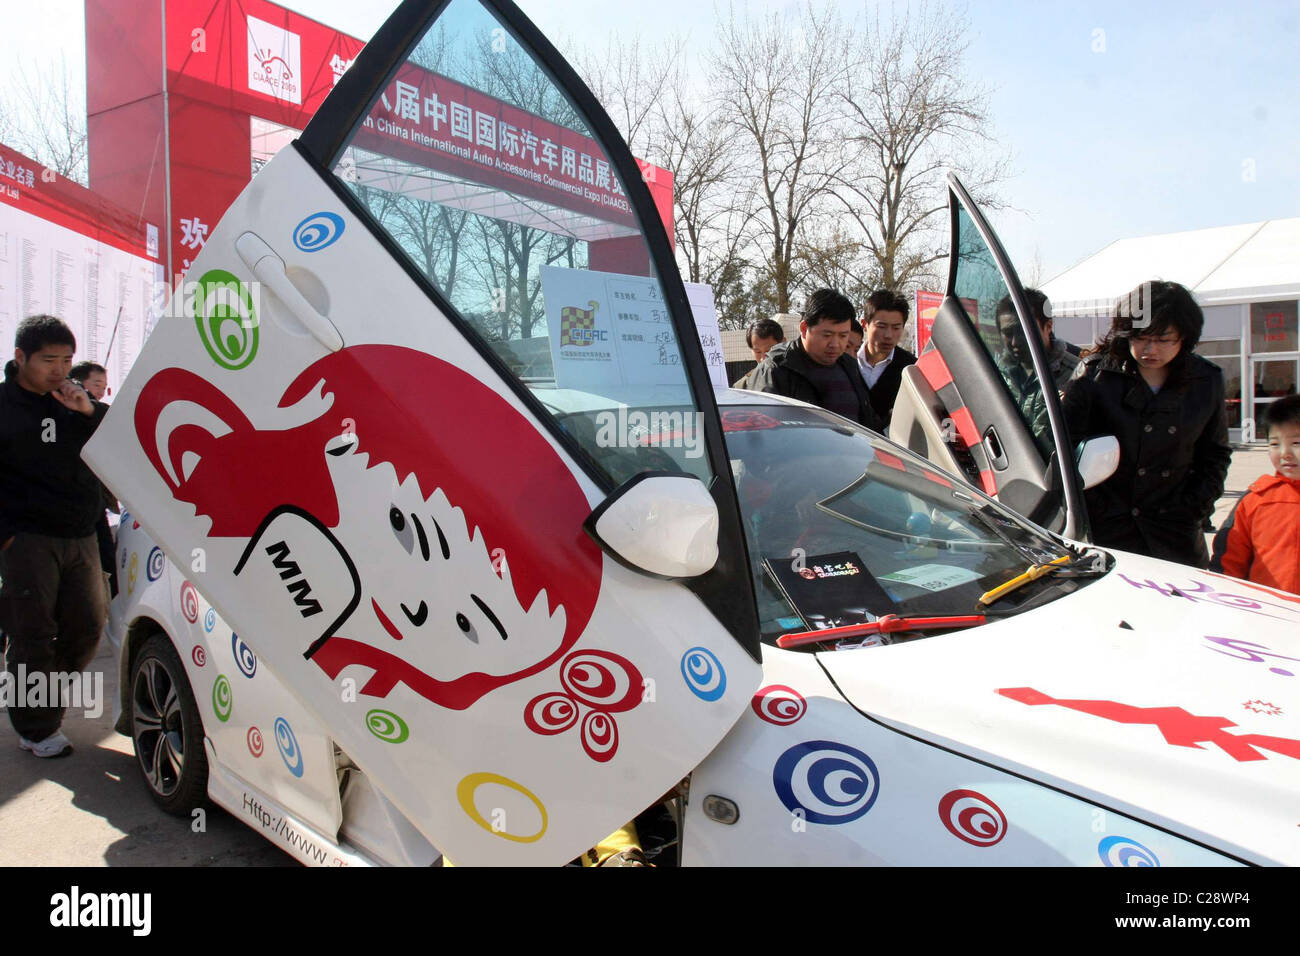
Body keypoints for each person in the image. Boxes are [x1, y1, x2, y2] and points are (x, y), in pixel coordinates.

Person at [1061, 280, 1232, 568]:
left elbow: (1215, 454)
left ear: (1184, 338)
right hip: (1108, 530)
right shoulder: (1096, 376)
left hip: (1175, 530)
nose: (1150, 349)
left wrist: (1194, 507)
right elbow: (1064, 449)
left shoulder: (1206, 379)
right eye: (1140, 337)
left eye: (1164, 340)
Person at [0, 315, 110, 758]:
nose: (59, 370)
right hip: (26, 539)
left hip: (81, 534)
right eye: (49, 360)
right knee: (32, 634)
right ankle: (37, 727)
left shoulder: (74, 401)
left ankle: (43, 698)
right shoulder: (5, 405)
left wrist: (87, 412)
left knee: (88, 627)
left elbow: (118, 441)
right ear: (20, 357)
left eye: (66, 360)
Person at [747, 289, 883, 431]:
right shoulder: (775, 370)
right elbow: (763, 433)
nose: (835, 344)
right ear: (804, 328)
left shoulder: (850, 367)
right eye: (827, 335)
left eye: (843, 336)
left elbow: (869, 425)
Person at [1210, 394, 1300, 594]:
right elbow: (1229, 560)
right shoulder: (1257, 499)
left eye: (1296, 443)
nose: (1284, 453)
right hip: (1269, 614)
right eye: (1275, 444)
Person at [69, 360, 118, 596]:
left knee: (106, 561)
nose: (100, 390)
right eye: (97, 383)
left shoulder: (97, 414)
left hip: (94, 503)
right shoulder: (63, 415)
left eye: (104, 385)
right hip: (72, 509)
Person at [855, 289, 916, 428]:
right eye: (881, 326)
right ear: (864, 324)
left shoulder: (912, 369)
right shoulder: (844, 361)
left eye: (896, 328)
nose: (888, 335)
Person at [733, 318, 785, 389]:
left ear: (783, 343)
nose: (763, 358)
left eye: (769, 351)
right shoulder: (742, 387)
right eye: (758, 352)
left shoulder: (797, 378)